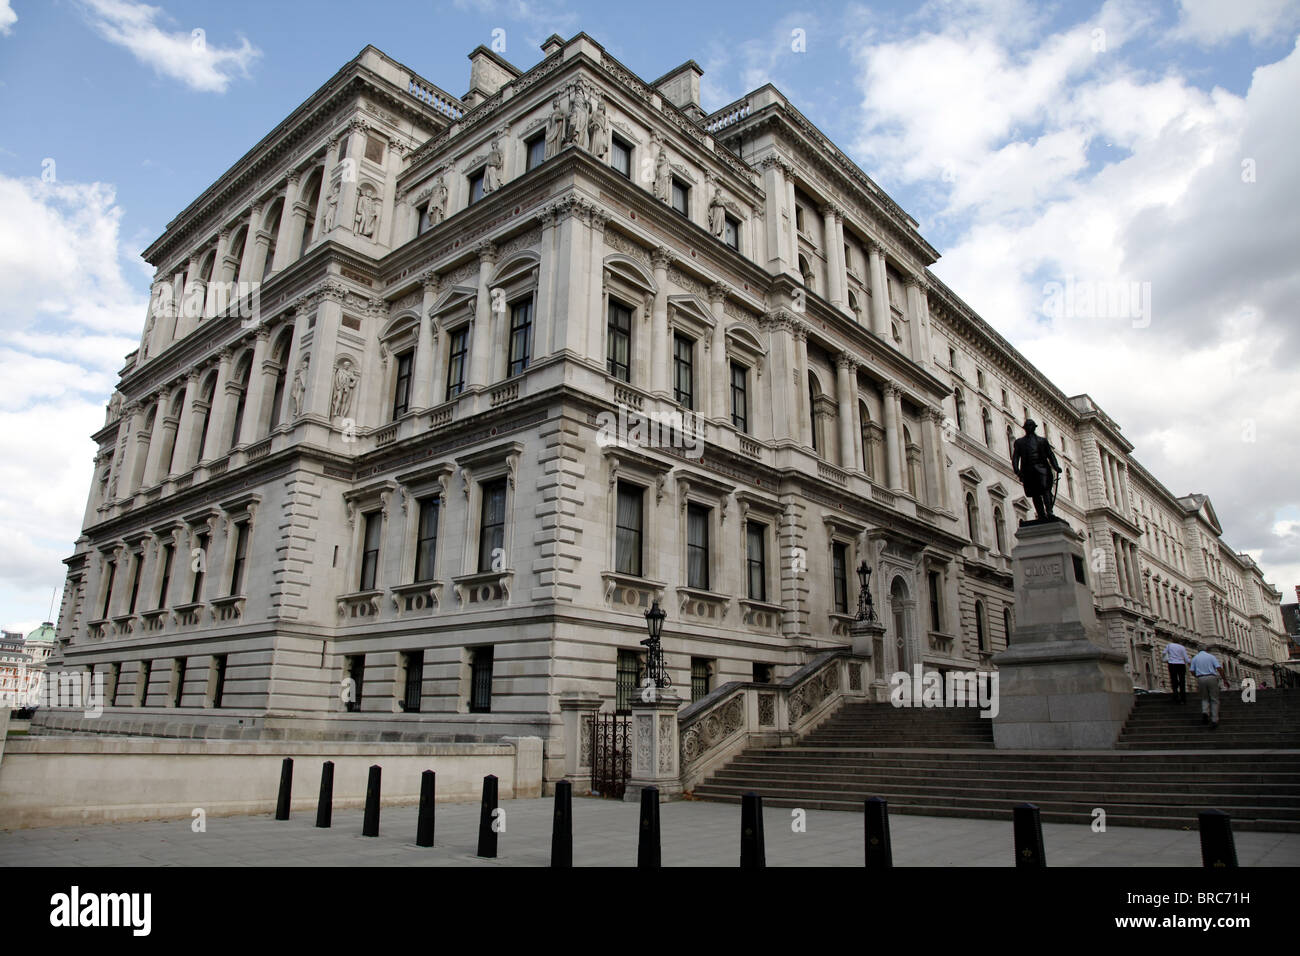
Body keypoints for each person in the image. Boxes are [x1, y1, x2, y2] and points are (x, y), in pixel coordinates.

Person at [1011, 419, 1062, 520]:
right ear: (1025, 429)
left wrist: (1056, 466)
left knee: (1045, 490)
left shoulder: (1042, 441)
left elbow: (1050, 455)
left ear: (1034, 427)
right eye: (1027, 426)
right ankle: (1041, 514)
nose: (1029, 428)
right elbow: (1016, 457)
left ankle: (1049, 511)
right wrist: (1017, 470)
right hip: (1028, 471)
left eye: (1031, 426)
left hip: (1042, 469)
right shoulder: (1019, 442)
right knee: (1035, 493)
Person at [1189, 648, 1226, 729]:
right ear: (1206, 649)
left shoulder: (1195, 658)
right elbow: (1219, 668)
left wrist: (1197, 676)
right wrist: (1224, 679)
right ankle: (1214, 720)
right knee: (1214, 699)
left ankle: (1205, 712)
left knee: (1204, 698)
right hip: (1211, 677)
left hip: (1200, 678)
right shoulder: (1211, 656)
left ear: (1198, 650)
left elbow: (1191, 670)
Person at [1163, 640, 1189, 704]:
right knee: (1182, 680)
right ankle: (1183, 698)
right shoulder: (1182, 647)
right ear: (1179, 641)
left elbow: (1164, 652)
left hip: (1172, 664)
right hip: (1181, 664)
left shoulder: (1169, 645)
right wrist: (1189, 662)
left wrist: (1168, 657)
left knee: (1174, 679)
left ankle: (1175, 695)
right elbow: (1186, 657)